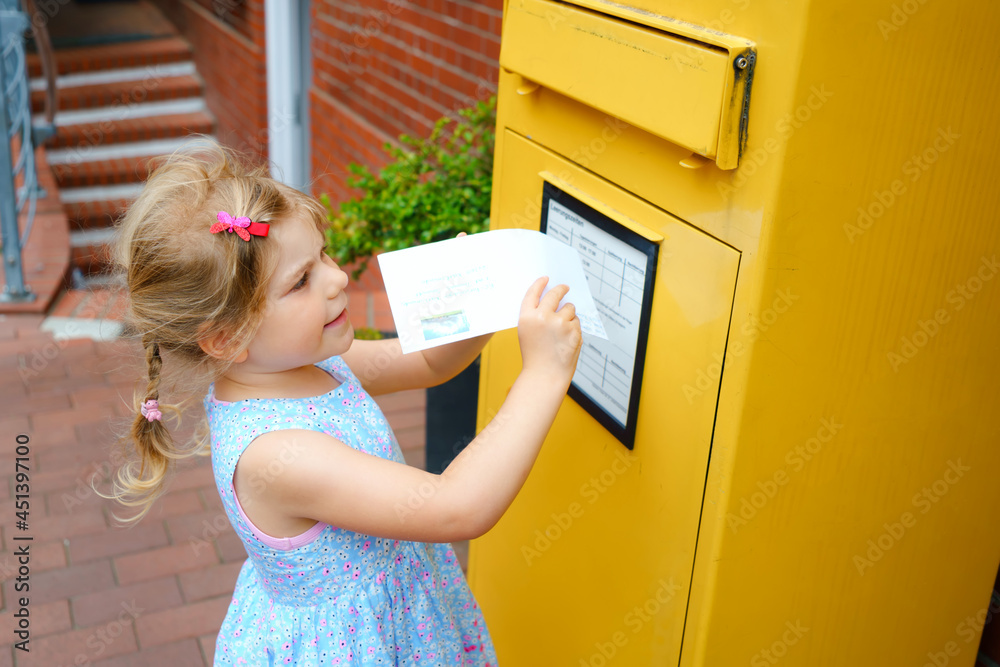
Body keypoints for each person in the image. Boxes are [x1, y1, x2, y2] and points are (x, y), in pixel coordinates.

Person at [109, 140, 583, 665]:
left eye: (324, 254)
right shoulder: (275, 453)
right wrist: (543, 373)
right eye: (302, 281)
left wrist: (475, 302)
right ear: (225, 337)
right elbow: (457, 506)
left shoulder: (311, 363)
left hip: (400, 614)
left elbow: (429, 364)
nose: (338, 278)